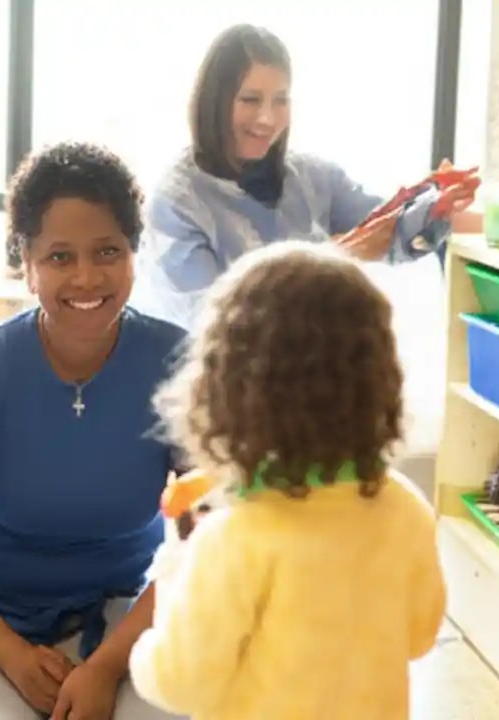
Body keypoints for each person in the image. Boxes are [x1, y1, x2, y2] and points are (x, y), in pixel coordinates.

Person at [0, 141, 186, 720]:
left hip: (124, 618)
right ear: (25, 264)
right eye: (58, 257)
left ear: (133, 255)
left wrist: (104, 668)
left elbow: (210, 542)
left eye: (107, 251)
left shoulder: (180, 367)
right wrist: (13, 656)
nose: (85, 276)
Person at [129, 241, 448, 720]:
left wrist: (174, 560)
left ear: (227, 388)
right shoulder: (405, 507)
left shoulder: (236, 538)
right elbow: (421, 635)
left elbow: (178, 683)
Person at [133, 23, 479, 328]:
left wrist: (437, 202)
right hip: (223, 391)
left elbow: (385, 227)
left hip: (309, 377)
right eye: (250, 99)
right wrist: (332, 260)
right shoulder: (178, 201)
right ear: (213, 101)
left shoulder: (311, 178)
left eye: (281, 99)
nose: (267, 118)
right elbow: (211, 324)